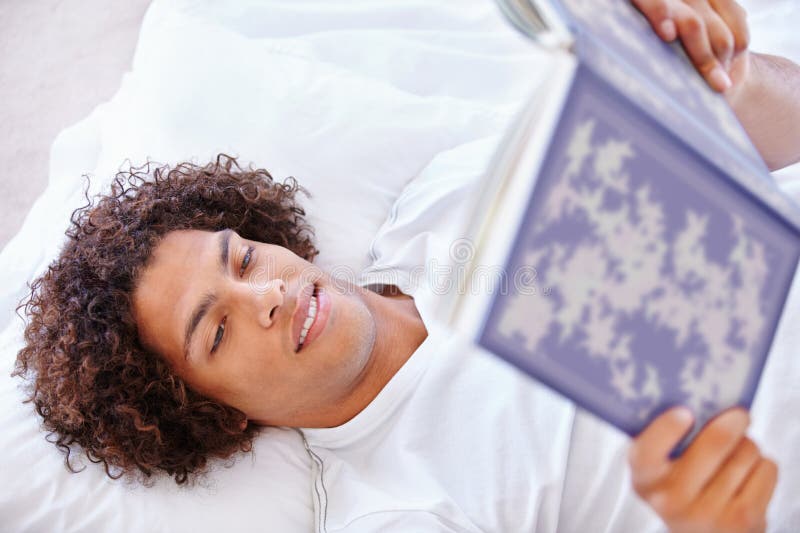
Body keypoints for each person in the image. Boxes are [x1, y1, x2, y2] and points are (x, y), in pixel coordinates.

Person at [11, 1, 800, 531]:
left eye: (243, 257)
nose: (268, 294)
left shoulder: (446, 199)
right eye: (217, 329)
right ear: (213, 413)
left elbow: (774, 132)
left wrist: (712, 74)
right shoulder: (395, 509)